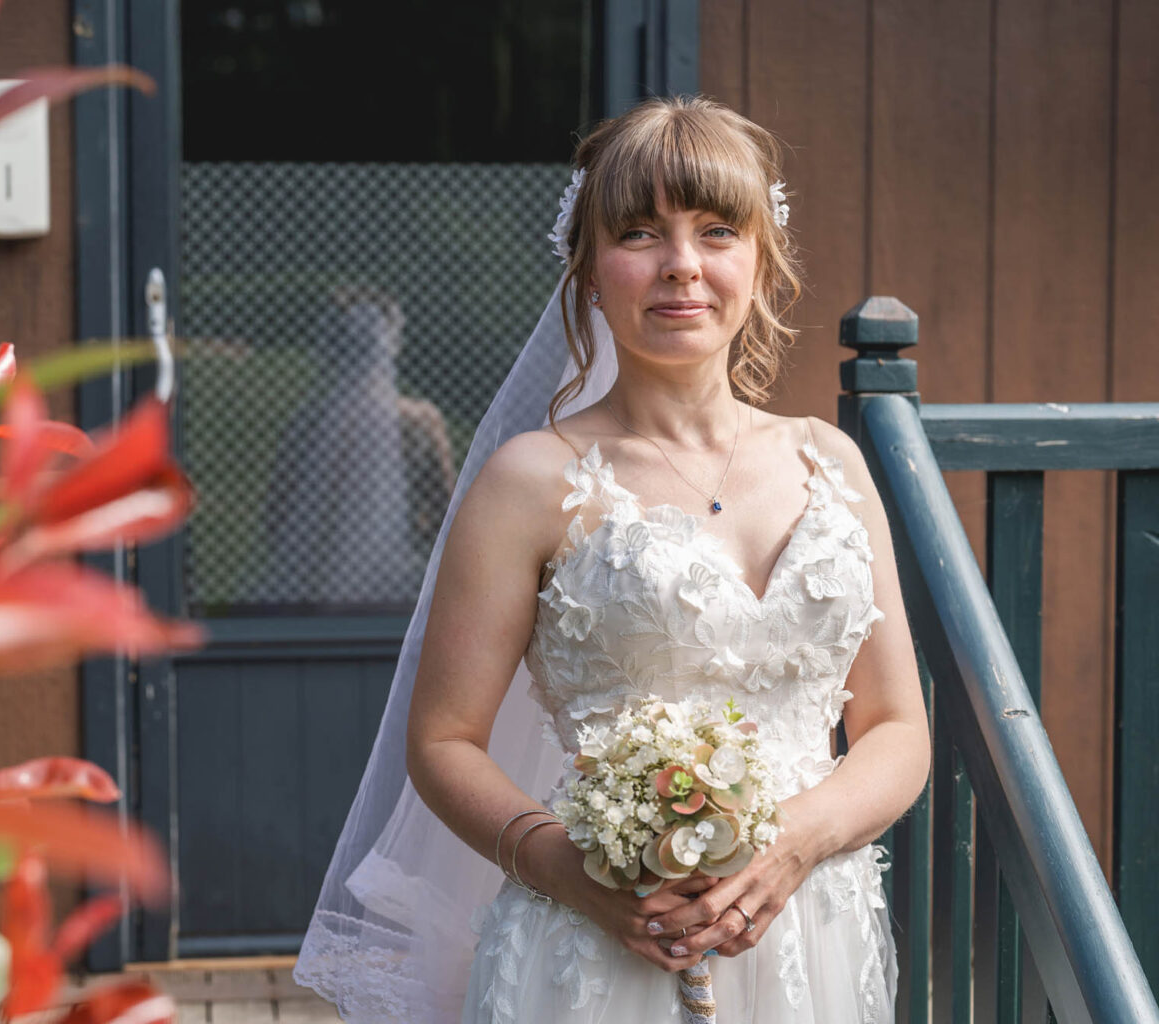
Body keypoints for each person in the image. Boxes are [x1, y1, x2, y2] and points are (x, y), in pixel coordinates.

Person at [295, 96, 931, 1023]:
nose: (682, 265)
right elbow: (441, 742)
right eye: (640, 233)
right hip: (596, 945)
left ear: (761, 259)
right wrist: (571, 871)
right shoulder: (531, 482)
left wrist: (794, 845)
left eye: (717, 231)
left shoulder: (828, 463)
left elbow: (898, 728)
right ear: (591, 270)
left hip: (808, 934)